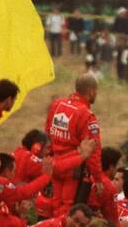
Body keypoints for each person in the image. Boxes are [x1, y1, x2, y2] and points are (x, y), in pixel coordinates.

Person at [45, 74, 109, 215]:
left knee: (55, 205)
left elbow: (47, 131)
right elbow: (94, 149)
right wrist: (97, 178)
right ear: (91, 91)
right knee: (68, 208)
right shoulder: (87, 115)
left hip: (55, 164)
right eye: (96, 91)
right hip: (73, 167)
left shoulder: (57, 104)